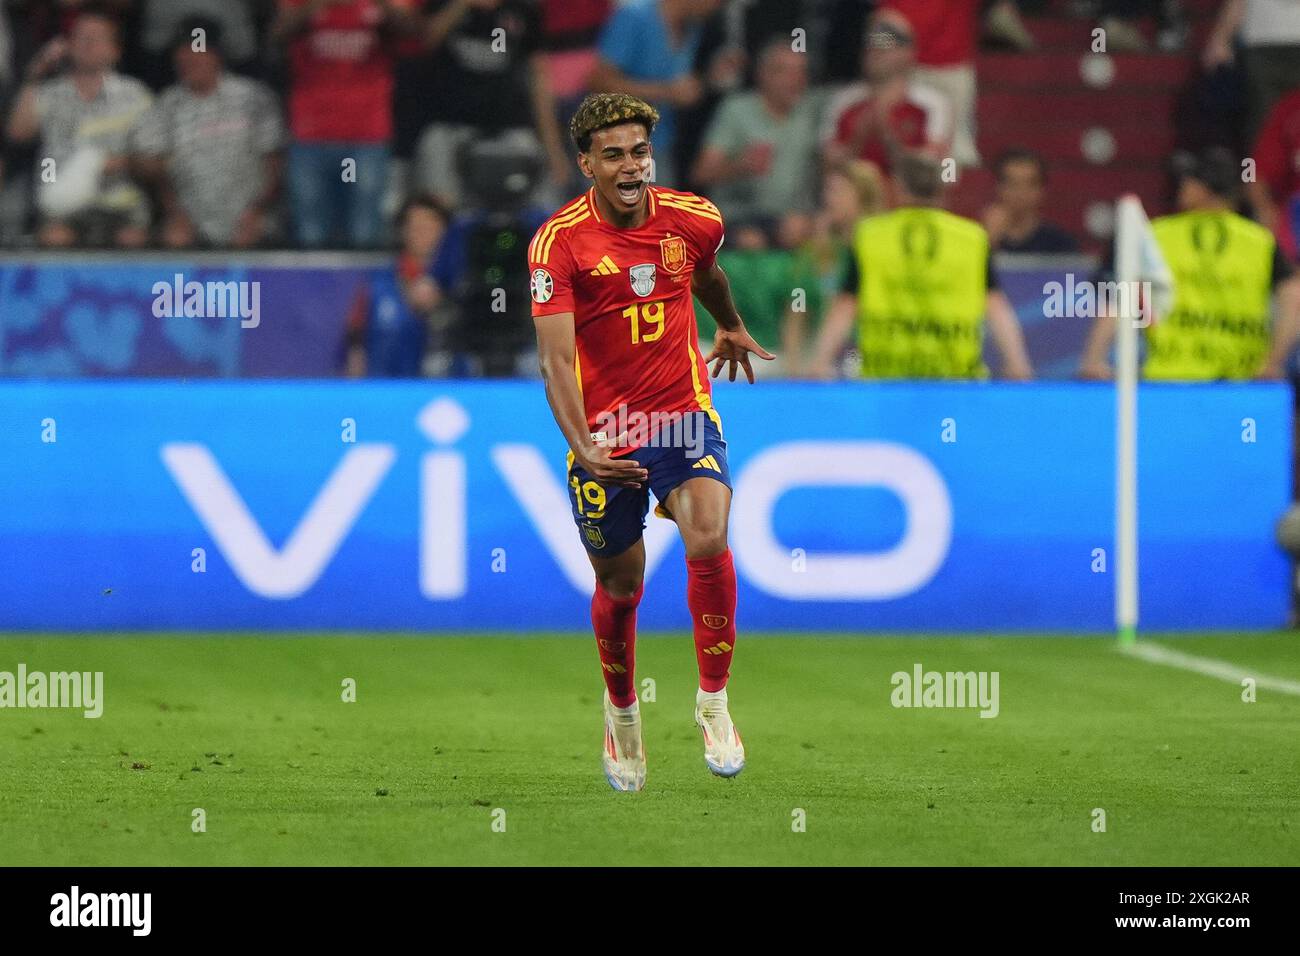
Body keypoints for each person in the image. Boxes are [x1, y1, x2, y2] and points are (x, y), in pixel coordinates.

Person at [527, 92, 773, 791]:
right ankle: (622, 712)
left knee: (707, 533)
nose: (631, 165)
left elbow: (706, 274)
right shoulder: (558, 244)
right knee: (621, 583)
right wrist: (585, 447)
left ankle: (714, 703)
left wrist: (726, 322)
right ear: (586, 164)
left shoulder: (694, 218)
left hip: (679, 411)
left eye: (639, 151)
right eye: (613, 155)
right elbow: (555, 362)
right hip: (606, 431)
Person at [1080, 148, 1300, 381]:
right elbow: (1294, 298)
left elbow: (1122, 297)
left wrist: (1093, 359)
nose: (1182, 185)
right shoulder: (1260, 241)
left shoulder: (1155, 235)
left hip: (1169, 382)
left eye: (1190, 179)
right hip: (1240, 384)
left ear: (1206, 187)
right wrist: (1273, 363)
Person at [810, 153, 1034, 380]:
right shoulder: (972, 237)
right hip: (956, 378)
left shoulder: (870, 236)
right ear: (942, 189)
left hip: (885, 380)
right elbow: (995, 305)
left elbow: (846, 305)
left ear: (898, 187)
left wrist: (821, 360)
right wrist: (1017, 363)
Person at [272, 0, 421, 248]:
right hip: (311, 135)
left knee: (365, 231)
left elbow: (418, 35)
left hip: (366, 136)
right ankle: (312, 288)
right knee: (310, 233)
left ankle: (362, 288)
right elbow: (276, 35)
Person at [5, 7, 152, 247]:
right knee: (56, 237)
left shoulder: (136, 95)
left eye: (95, 38)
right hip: (63, 209)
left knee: (131, 238)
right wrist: (35, 74)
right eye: (80, 37)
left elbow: (151, 158)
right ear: (68, 45)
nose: (86, 44)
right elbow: (18, 133)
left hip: (120, 205)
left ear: (114, 50)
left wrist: (111, 163)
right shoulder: (50, 93)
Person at [134, 18, 286, 249]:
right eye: (182, 53)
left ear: (216, 56)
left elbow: (275, 163)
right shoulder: (166, 106)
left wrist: (257, 211)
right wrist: (175, 213)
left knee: (254, 237)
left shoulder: (253, 97)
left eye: (196, 51)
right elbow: (154, 170)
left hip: (252, 214)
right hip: (190, 218)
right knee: (174, 238)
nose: (187, 59)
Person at [690, 38, 823, 245]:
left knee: (800, 229)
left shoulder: (811, 112)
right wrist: (740, 166)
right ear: (763, 75)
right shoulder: (736, 109)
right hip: (738, 215)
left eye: (801, 72)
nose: (795, 80)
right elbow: (701, 173)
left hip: (791, 217)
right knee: (751, 241)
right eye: (784, 71)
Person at [589, 0, 722, 186]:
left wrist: (707, 79)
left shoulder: (694, 28)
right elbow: (599, 82)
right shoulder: (635, 16)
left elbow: (676, 78)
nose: (718, 7)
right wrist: (666, 92)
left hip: (659, 143)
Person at [821, 16, 952, 177]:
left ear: (908, 53)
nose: (876, 51)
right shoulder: (844, 100)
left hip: (905, 199)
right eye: (872, 43)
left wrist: (889, 137)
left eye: (887, 43)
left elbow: (935, 169)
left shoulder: (932, 103)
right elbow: (826, 165)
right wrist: (858, 139)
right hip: (853, 197)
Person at [346, 194, 451, 377]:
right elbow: (355, 347)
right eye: (415, 226)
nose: (422, 233)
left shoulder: (463, 284)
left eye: (429, 226)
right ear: (402, 231)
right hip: (387, 396)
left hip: (453, 398)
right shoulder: (377, 284)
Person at [982, 149, 1080, 254]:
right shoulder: (976, 239)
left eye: (1030, 184)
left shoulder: (1060, 243)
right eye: (1013, 184)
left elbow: (1072, 271)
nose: (1021, 193)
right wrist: (989, 242)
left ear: (1042, 190)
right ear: (999, 188)